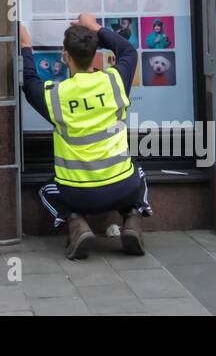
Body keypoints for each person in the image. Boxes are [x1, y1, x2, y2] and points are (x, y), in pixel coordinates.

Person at [18, 14, 151, 259]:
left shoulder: (56, 96)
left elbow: (29, 82)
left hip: (77, 195)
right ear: (95, 53)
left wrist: (25, 45)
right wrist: (95, 27)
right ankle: (133, 219)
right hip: (123, 188)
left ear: (65, 56)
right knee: (139, 172)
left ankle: (77, 224)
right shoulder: (114, 81)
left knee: (47, 188)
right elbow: (128, 51)